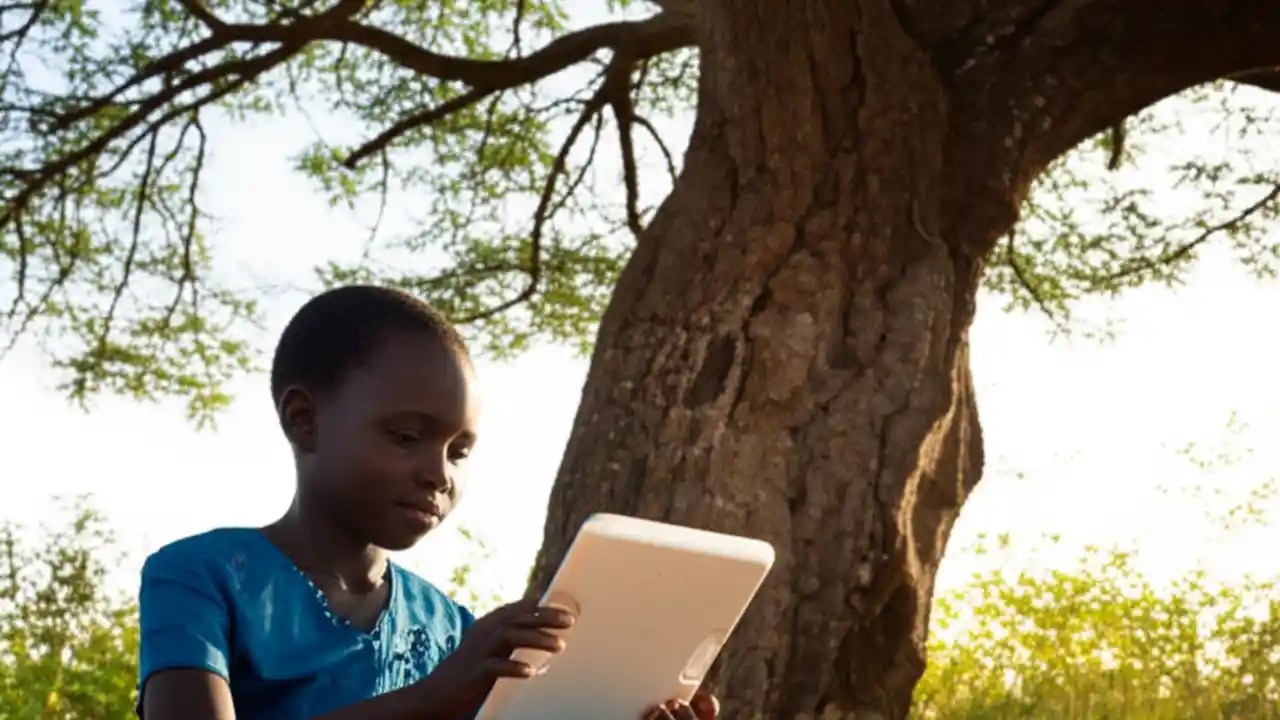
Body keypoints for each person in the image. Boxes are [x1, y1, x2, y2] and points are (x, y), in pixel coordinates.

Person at [137, 285, 719, 720]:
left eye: (460, 451)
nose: (439, 474)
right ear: (305, 419)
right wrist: (431, 699)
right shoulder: (201, 577)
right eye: (407, 437)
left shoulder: (450, 631)